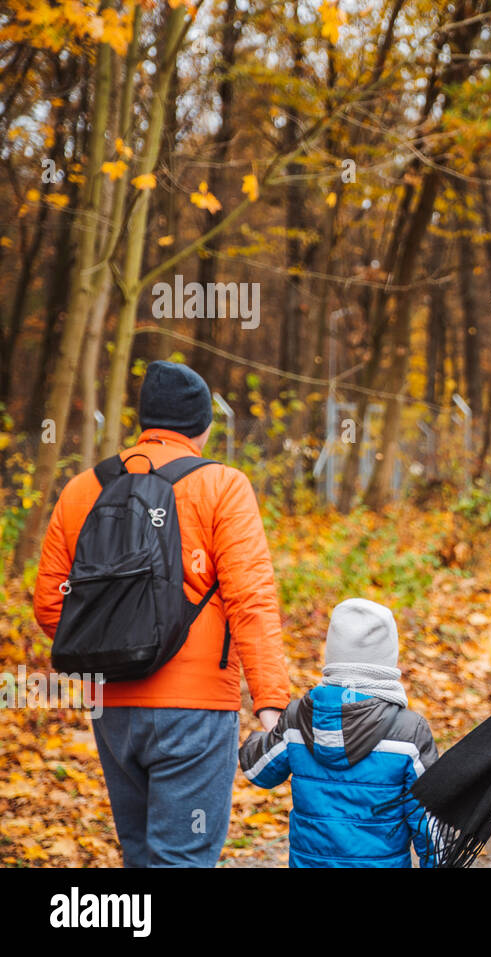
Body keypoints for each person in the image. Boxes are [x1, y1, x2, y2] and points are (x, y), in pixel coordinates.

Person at [35, 360, 290, 867]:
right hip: (195, 709)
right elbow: (250, 599)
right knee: (183, 857)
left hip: (112, 707)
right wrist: (271, 702)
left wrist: (112, 649)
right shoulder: (223, 486)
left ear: (143, 420)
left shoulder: (83, 488)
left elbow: (50, 605)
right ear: (204, 426)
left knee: (142, 854)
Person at [238, 598, 439, 867]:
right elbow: (430, 821)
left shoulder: (298, 718)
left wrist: (260, 736)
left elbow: (259, 771)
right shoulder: (408, 732)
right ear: (389, 658)